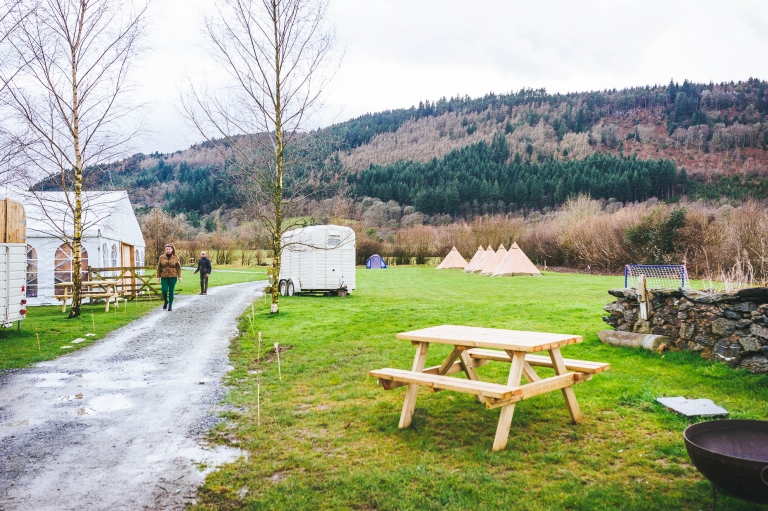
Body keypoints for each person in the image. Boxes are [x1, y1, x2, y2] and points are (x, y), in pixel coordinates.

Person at [157, 243, 182, 311]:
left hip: (173, 276)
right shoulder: (161, 257)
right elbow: (159, 267)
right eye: (167, 249)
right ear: (165, 250)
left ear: (172, 249)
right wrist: (158, 276)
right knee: (164, 291)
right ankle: (166, 301)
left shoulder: (176, 257)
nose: (168, 250)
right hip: (164, 276)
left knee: (171, 291)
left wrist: (179, 276)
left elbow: (178, 267)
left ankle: (170, 305)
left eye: (169, 249)